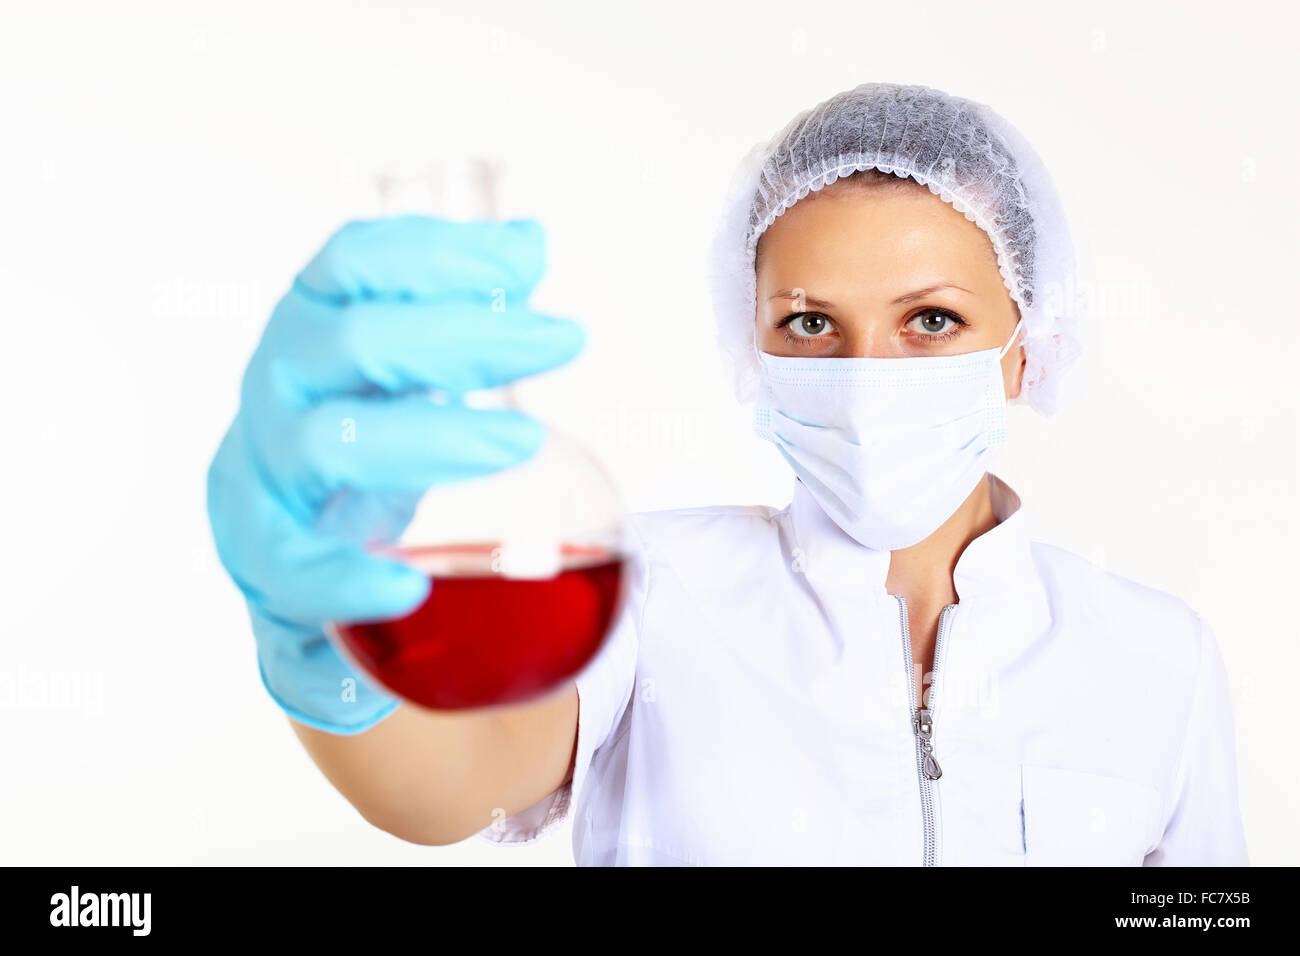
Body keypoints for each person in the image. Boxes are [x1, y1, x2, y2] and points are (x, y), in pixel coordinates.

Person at [206, 82, 1249, 865]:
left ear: (1027, 346)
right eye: (810, 323)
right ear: (751, 345)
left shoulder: (1159, 659)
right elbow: (451, 784)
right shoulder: (647, 591)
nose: (866, 374)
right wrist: (322, 647)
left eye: (932, 319)